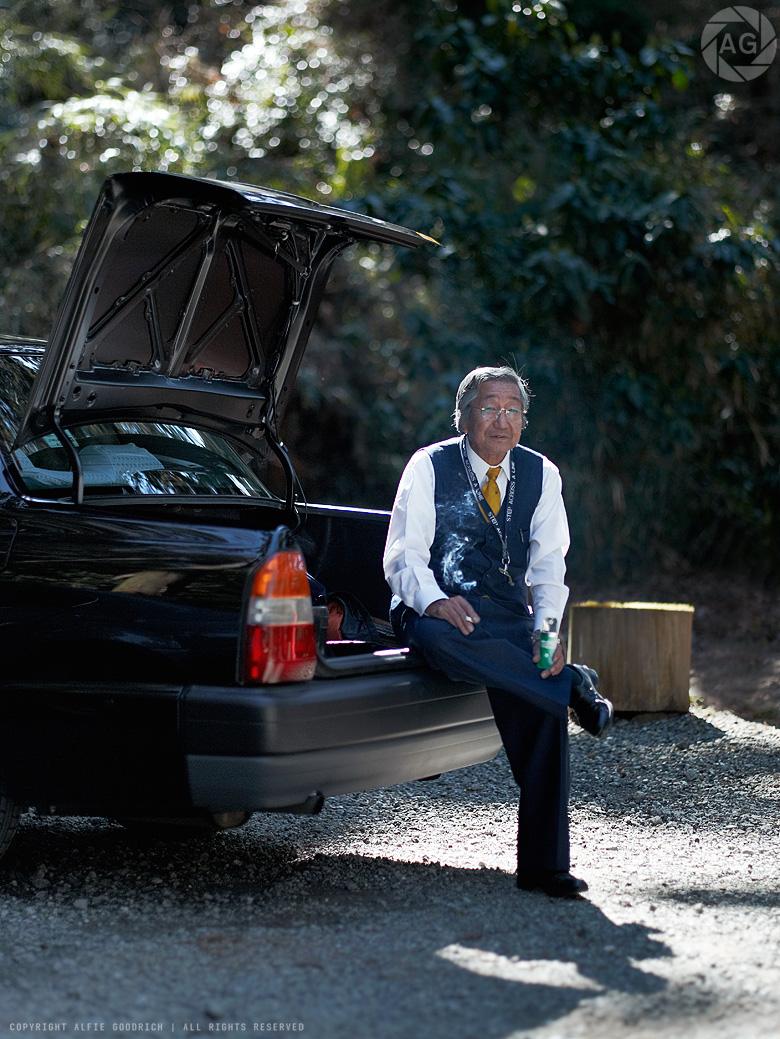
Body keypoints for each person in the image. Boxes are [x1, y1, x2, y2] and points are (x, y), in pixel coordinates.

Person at [383, 365, 612, 898]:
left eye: (512, 409)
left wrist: (549, 636)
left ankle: (544, 867)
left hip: (504, 613)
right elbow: (401, 557)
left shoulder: (541, 474)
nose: (500, 420)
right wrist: (434, 601)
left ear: (524, 421)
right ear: (463, 415)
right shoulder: (429, 466)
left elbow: (549, 565)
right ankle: (571, 683)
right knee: (444, 641)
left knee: (541, 694)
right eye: (488, 407)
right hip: (434, 607)